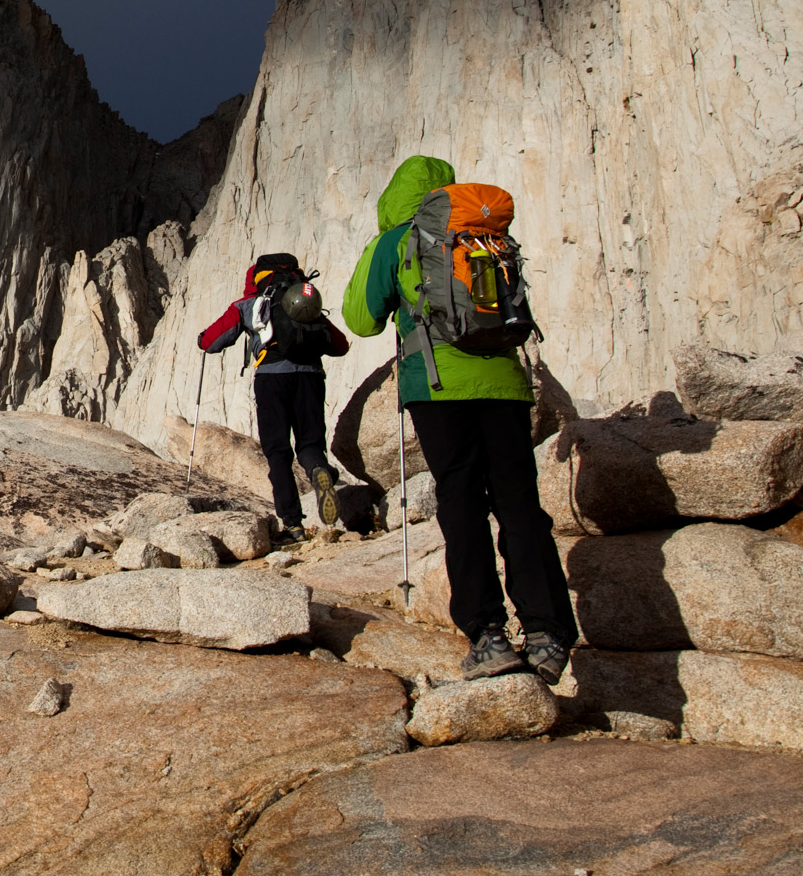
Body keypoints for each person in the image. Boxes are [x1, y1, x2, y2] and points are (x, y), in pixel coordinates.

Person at [341, 155, 576, 684]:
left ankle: (487, 633)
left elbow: (360, 318)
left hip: (438, 388)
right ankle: (546, 631)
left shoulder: (397, 241)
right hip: (507, 384)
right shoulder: (479, 233)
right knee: (520, 503)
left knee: (462, 503)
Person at [197, 252, 350, 542]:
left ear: (255, 277)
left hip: (271, 379)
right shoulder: (302, 300)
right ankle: (319, 468)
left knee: (278, 452)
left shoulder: (250, 303)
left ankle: (293, 523)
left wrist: (202, 338)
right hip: (310, 376)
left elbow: (213, 341)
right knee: (310, 443)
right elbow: (340, 345)